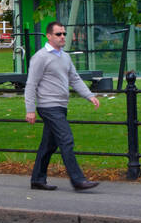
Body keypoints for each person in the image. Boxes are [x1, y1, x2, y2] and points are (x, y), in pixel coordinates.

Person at [26, 20, 100, 192]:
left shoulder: (65, 57)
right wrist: (30, 110)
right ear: (49, 36)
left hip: (61, 106)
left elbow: (74, 78)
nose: (63, 37)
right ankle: (78, 180)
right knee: (66, 139)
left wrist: (89, 95)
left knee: (49, 145)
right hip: (48, 106)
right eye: (58, 34)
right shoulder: (40, 57)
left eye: (64, 33)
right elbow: (31, 84)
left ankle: (37, 179)